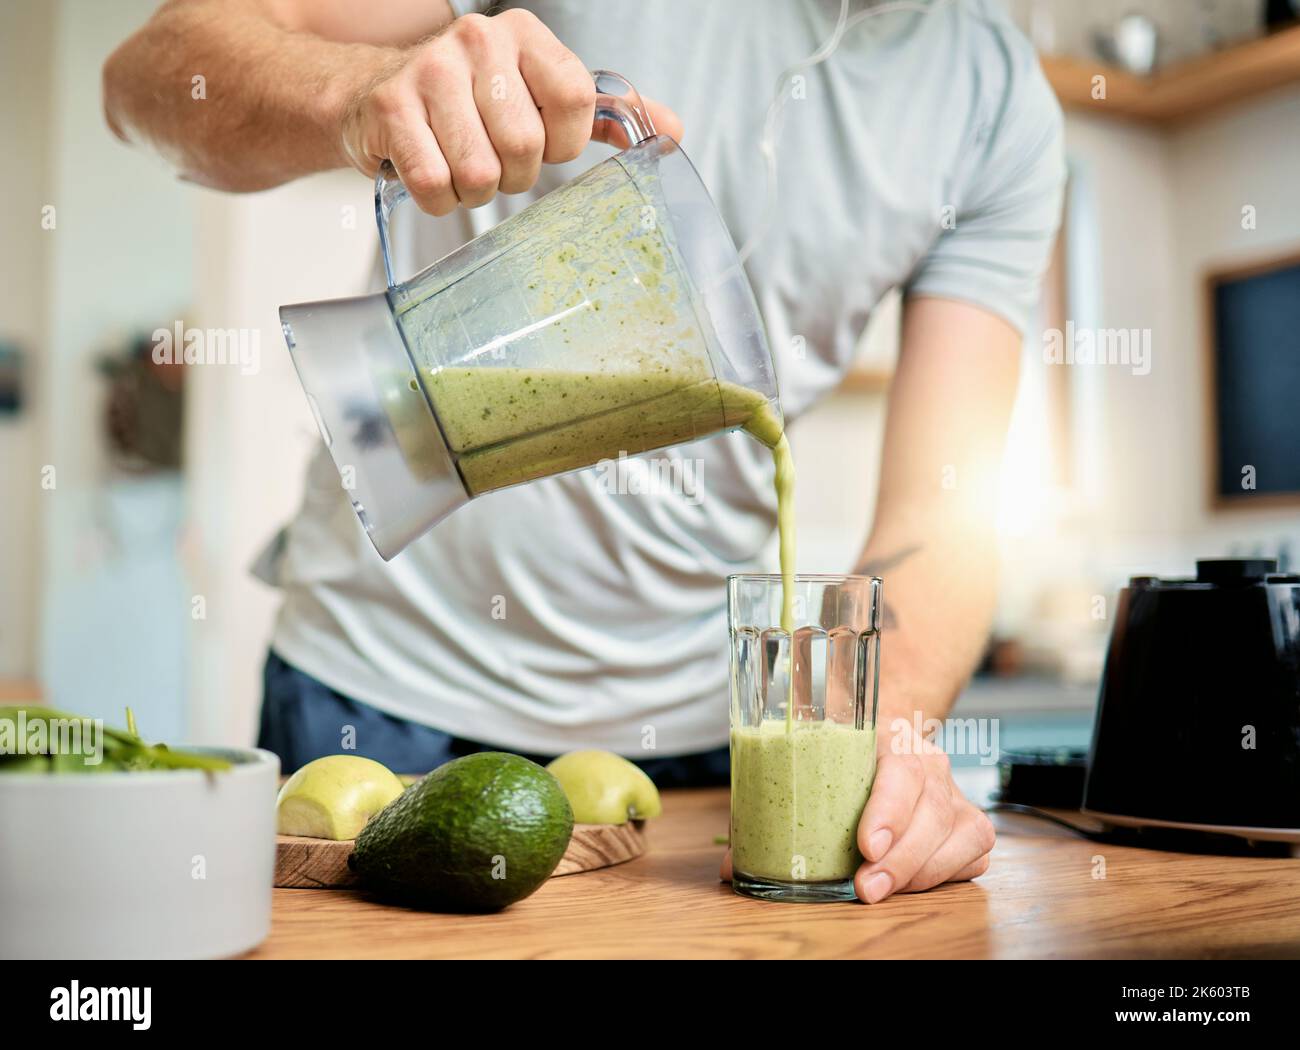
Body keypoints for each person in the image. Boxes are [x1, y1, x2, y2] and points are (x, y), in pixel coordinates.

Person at [103, 0, 1065, 904]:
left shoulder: (995, 98)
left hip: (700, 757)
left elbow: (945, 511)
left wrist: (880, 749)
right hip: (382, 694)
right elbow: (147, 77)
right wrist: (361, 90)